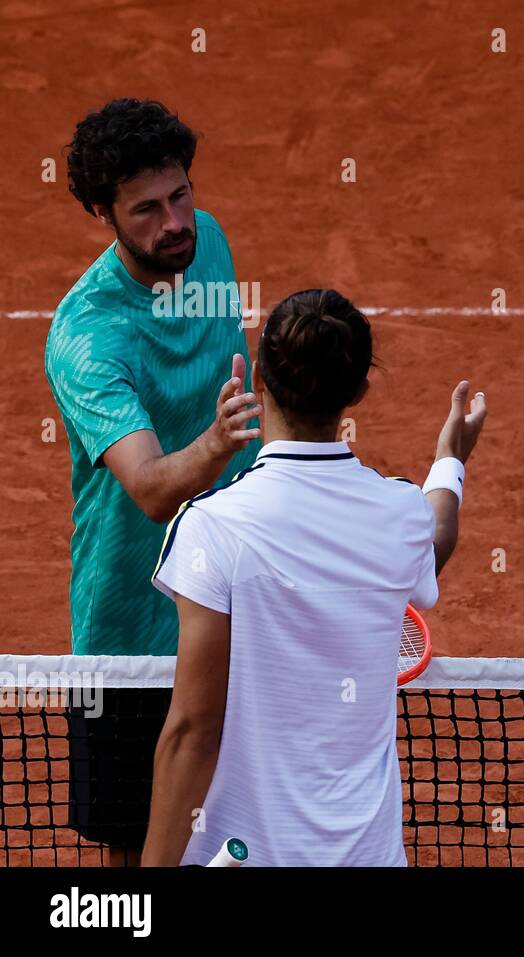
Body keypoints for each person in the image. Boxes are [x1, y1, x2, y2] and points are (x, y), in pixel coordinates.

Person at [142, 289, 486, 866]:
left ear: (257, 377)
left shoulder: (212, 526)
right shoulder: (398, 515)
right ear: (358, 392)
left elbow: (192, 730)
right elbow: (436, 532)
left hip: (247, 857)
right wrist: (450, 458)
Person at [45, 98, 260, 864]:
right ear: (102, 212)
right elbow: (150, 486)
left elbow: (225, 369)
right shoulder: (86, 336)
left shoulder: (211, 248)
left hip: (232, 602)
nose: (174, 222)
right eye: (145, 209)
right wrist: (221, 442)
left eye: (181, 194)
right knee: (141, 855)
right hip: (129, 637)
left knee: (245, 827)